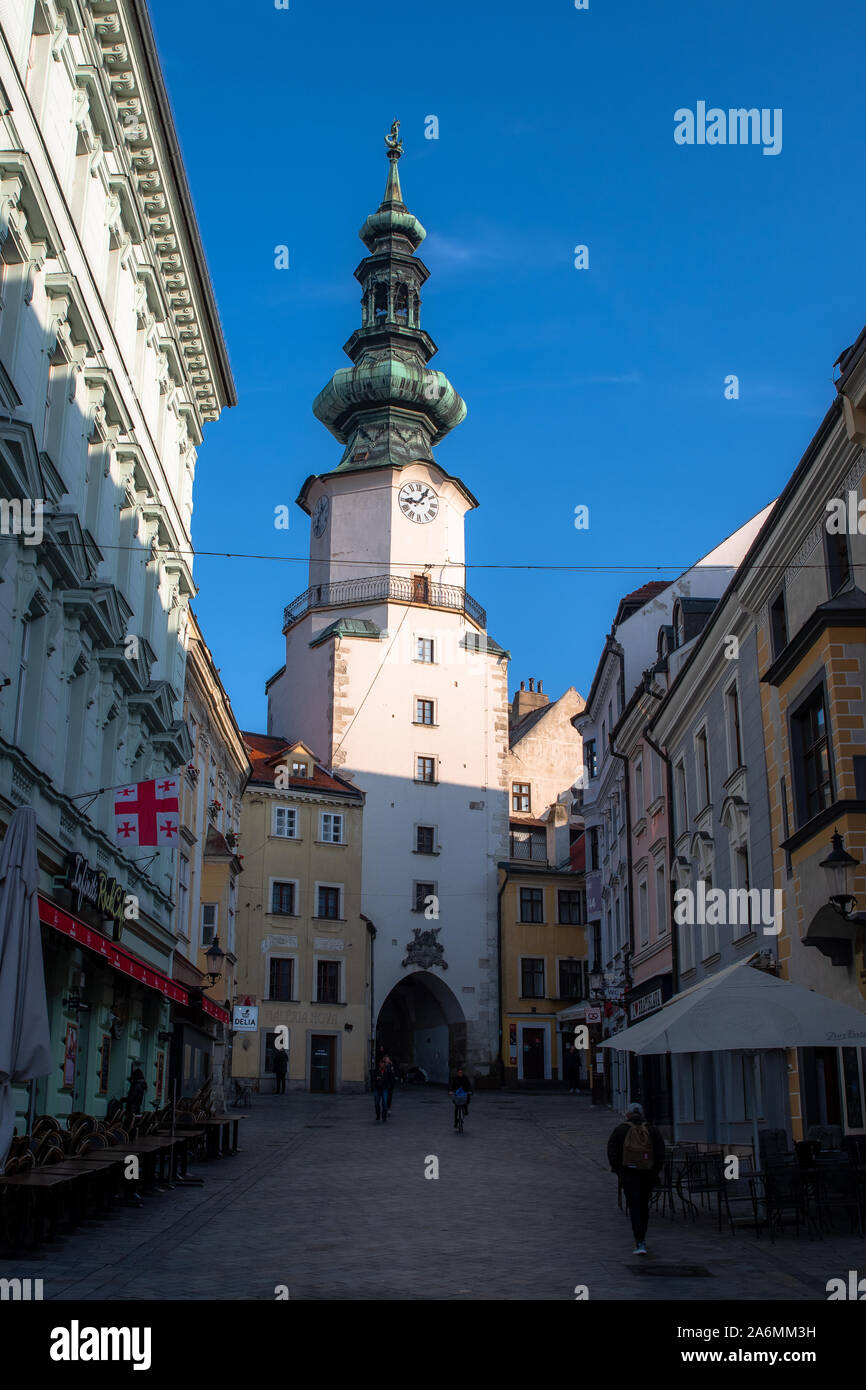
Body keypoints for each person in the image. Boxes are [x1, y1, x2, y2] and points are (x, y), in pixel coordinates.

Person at [607, 1102, 666, 1255]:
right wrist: (654, 1172)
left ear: (627, 1114)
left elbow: (611, 1151)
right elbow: (660, 1153)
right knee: (644, 1206)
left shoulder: (620, 1130)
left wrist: (619, 1171)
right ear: (642, 1113)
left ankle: (639, 1240)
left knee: (634, 1207)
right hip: (647, 1175)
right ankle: (642, 1237)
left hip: (629, 1175)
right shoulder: (652, 1130)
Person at [372, 1056, 396, 1122]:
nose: (382, 1064)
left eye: (383, 1063)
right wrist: (376, 1080)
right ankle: (378, 1115)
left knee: (384, 1103)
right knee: (377, 1103)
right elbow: (373, 1079)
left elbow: (392, 1078)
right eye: (381, 1063)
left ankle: (384, 1117)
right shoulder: (376, 1070)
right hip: (377, 1089)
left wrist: (390, 1087)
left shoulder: (388, 1070)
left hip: (385, 1089)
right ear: (379, 1063)